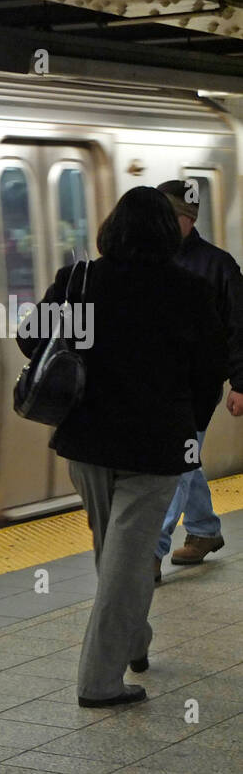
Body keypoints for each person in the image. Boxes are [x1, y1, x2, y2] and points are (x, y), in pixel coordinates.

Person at [18, 186, 226, 708]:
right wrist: (189, 426)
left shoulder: (80, 281)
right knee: (126, 561)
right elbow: (207, 376)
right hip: (155, 449)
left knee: (114, 553)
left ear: (112, 228)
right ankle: (99, 682)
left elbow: (29, 338)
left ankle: (133, 642)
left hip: (86, 442)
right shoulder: (189, 291)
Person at [152, 179, 243, 581]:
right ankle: (205, 530)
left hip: (198, 385)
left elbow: (240, 326)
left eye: (177, 217)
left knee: (177, 462)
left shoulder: (218, 265)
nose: (171, 225)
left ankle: (149, 552)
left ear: (191, 220)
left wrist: (241, 382)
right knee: (186, 461)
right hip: (158, 383)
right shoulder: (148, 261)